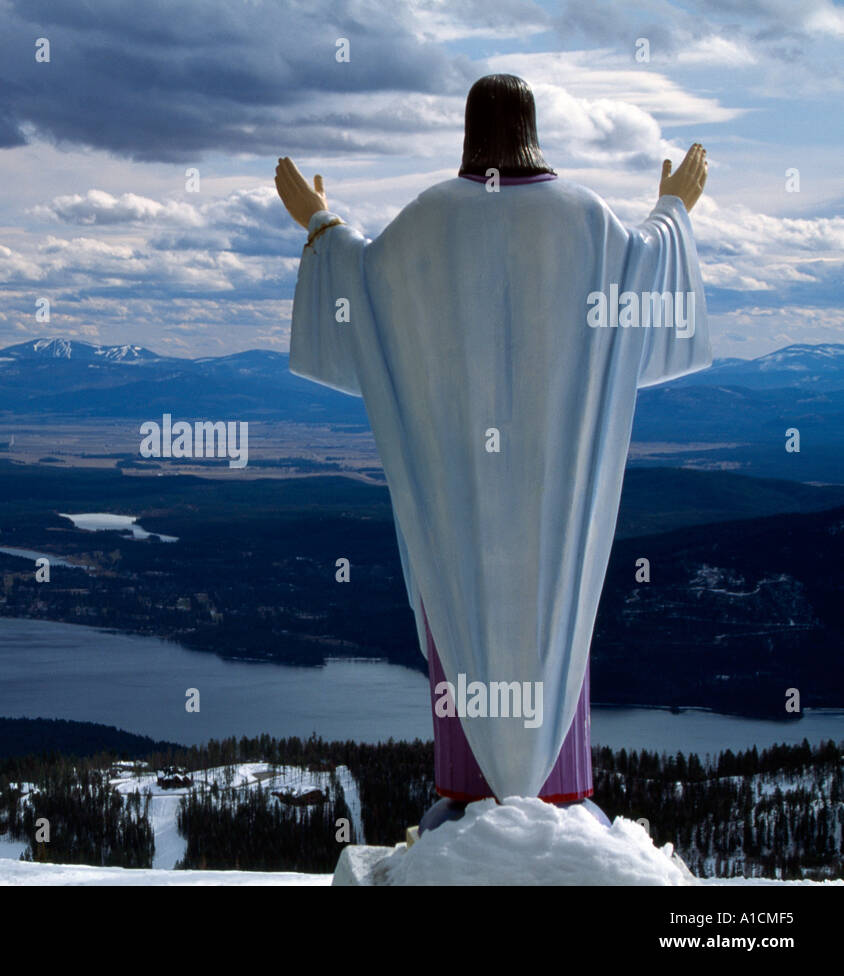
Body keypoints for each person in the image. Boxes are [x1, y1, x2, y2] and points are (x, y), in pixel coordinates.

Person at [276, 74, 710, 822]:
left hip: (459, 511)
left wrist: (319, 222)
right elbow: (645, 269)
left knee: (460, 603)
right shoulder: (586, 221)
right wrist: (674, 207)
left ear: (469, 131)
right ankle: (558, 797)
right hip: (552, 507)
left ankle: (472, 791)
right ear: (532, 127)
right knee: (556, 613)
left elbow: (363, 280)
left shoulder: (427, 222)